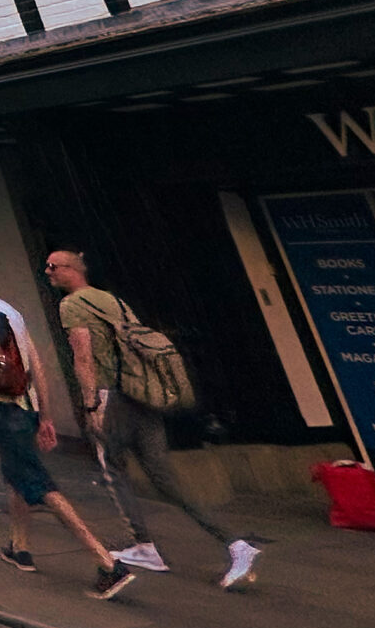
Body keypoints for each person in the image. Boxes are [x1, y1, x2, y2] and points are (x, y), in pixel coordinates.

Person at [45, 248, 260, 590]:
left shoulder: (71, 305)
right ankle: (235, 544)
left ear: (72, 269)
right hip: (142, 396)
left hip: (111, 397)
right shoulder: (115, 302)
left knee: (113, 471)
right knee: (164, 479)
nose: (48, 272)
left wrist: (89, 406)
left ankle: (144, 546)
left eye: (53, 266)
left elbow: (82, 356)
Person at [0, 251, 132, 600]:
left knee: (37, 481)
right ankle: (20, 547)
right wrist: (46, 415)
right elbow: (38, 365)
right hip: (26, 404)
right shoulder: (12, 312)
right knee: (15, 470)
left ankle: (106, 562)